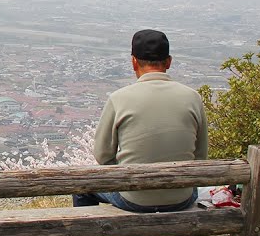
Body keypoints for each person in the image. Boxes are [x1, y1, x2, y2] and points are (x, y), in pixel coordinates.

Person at [74, 29, 208, 212]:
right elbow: (200, 156)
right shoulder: (193, 98)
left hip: (133, 198)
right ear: (169, 62)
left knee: (82, 188)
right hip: (181, 197)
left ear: (134, 62)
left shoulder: (119, 98)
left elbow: (102, 155)